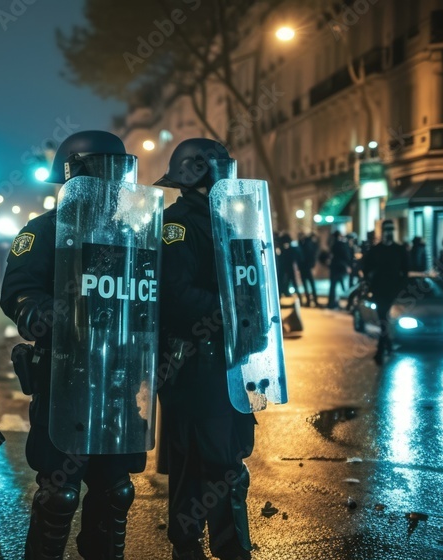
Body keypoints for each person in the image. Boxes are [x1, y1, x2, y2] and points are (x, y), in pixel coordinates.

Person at [0, 130, 150, 559]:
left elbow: (149, 299)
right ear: (75, 174)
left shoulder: (131, 235)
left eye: (119, 172)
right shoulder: (46, 231)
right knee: (59, 493)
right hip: (66, 381)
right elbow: (19, 291)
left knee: (116, 490)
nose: (114, 182)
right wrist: (48, 313)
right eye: (105, 171)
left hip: (119, 384)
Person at [154, 138, 255, 560]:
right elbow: (176, 294)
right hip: (195, 363)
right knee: (219, 464)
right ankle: (227, 549)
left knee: (204, 459)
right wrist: (232, 311)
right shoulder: (176, 224)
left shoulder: (226, 222)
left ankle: (187, 544)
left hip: (226, 360)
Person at [361, 220, 410, 364]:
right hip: (379, 290)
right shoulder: (376, 250)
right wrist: (369, 283)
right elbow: (366, 269)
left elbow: (405, 271)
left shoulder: (399, 250)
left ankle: (383, 347)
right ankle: (384, 346)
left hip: (392, 290)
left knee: (385, 318)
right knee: (383, 318)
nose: (389, 233)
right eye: (386, 230)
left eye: (390, 230)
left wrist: (401, 287)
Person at [326, 231, 351, 309]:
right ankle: (334, 302)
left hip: (334, 267)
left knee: (333, 286)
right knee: (339, 285)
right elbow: (346, 255)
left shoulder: (333, 244)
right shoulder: (341, 244)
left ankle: (332, 302)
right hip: (340, 268)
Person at [297, 234, 319, 307]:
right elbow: (312, 256)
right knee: (311, 284)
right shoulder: (309, 245)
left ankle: (309, 301)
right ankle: (314, 300)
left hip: (304, 267)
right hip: (307, 268)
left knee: (307, 285)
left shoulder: (302, 245)